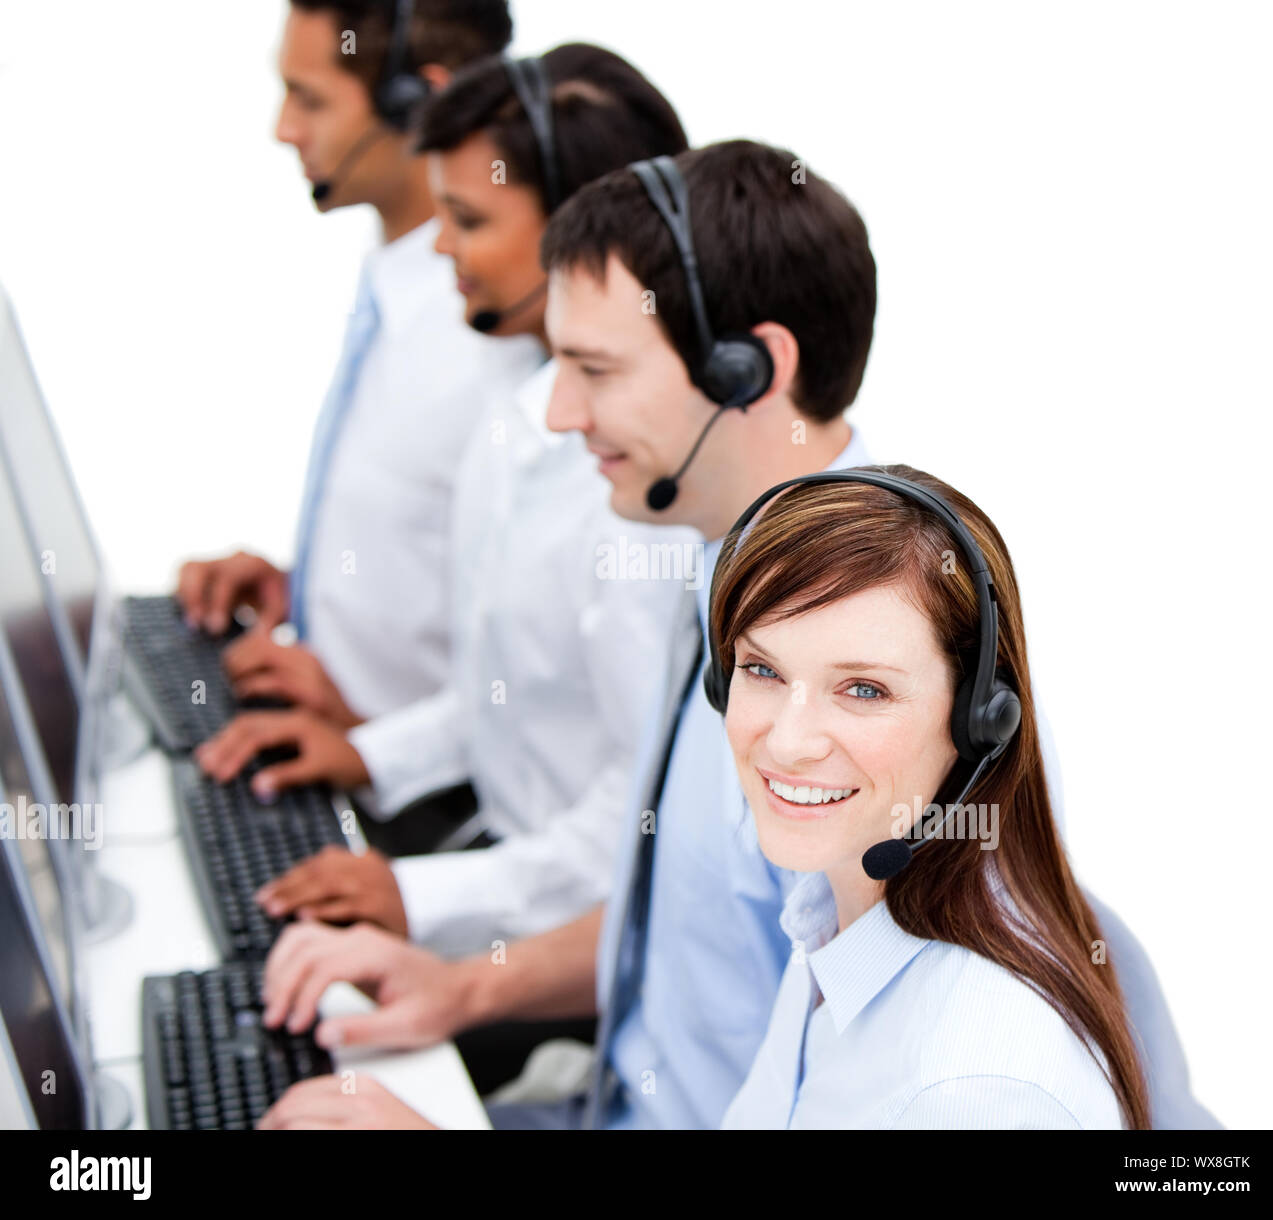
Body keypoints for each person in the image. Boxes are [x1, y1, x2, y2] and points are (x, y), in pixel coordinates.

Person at [254, 141, 1213, 1130]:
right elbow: (689, 937)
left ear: (751, 369)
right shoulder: (726, 578)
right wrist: (469, 987)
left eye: (594, 368)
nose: (558, 411)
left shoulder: (886, 694)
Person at [195, 46, 694, 956]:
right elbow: (495, 692)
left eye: (466, 218)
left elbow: (636, 815)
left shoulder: (643, 497)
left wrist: (418, 896)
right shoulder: (514, 412)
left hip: (564, 932)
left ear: (585, 241)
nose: (438, 244)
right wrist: (372, 758)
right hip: (494, 856)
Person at [711, 466, 1144, 1128]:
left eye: (863, 689)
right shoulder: (833, 921)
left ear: (979, 722)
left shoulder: (978, 1093)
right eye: (763, 669)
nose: (790, 742)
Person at [174, 0, 540, 741]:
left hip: (422, 814)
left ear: (421, 100)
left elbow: (548, 690)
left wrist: (368, 737)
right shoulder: (394, 285)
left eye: (308, 98)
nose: (283, 129)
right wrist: (303, 590)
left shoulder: (498, 338)